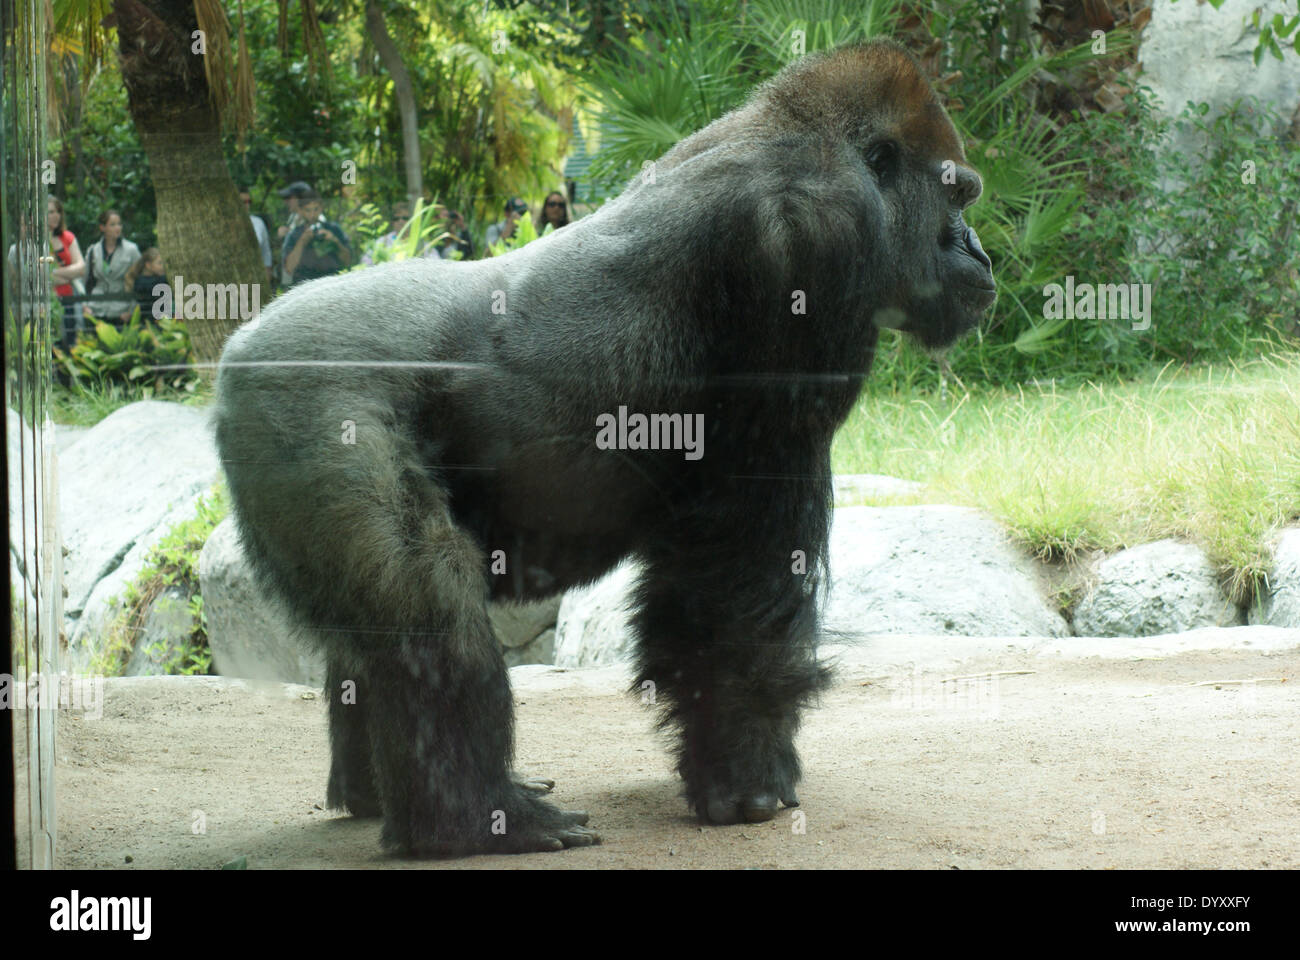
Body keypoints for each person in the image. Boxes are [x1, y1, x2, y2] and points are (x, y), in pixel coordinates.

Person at [83, 209, 141, 327]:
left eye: (119, 224)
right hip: (96, 309)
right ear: (102, 227)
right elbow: (86, 281)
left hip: (121, 310)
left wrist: (131, 310)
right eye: (113, 224)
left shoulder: (131, 250)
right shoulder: (93, 251)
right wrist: (85, 305)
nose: (117, 228)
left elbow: (138, 282)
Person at [282, 189, 352, 285]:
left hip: (332, 284)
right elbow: (289, 269)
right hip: (304, 286)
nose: (312, 215)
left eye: (316, 209)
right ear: (301, 211)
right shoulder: (294, 235)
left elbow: (348, 261)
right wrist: (301, 242)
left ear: (321, 208)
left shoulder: (333, 229)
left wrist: (335, 241)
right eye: (308, 210)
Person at [46, 196, 87, 346]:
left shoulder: (67, 237)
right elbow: (41, 275)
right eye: (50, 212)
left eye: (58, 211)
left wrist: (55, 273)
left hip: (69, 300)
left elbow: (81, 268)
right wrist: (69, 274)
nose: (56, 216)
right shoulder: (36, 241)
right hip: (47, 303)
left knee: (71, 344)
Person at [276, 181, 312, 285]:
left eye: (288, 198)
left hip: (305, 282)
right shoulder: (293, 218)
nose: (285, 202)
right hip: (290, 281)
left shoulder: (315, 222)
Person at [240, 188, 275, 289]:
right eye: (243, 202)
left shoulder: (258, 223)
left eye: (248, 201)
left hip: (254, 278)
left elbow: (266, 253)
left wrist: (266, 282)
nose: (247, 205)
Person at [126, 248, 169, 320]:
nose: (163, 267)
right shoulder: (143, 283)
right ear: (148, 265)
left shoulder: (140, 280)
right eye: (159, 263)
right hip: (150, 323)